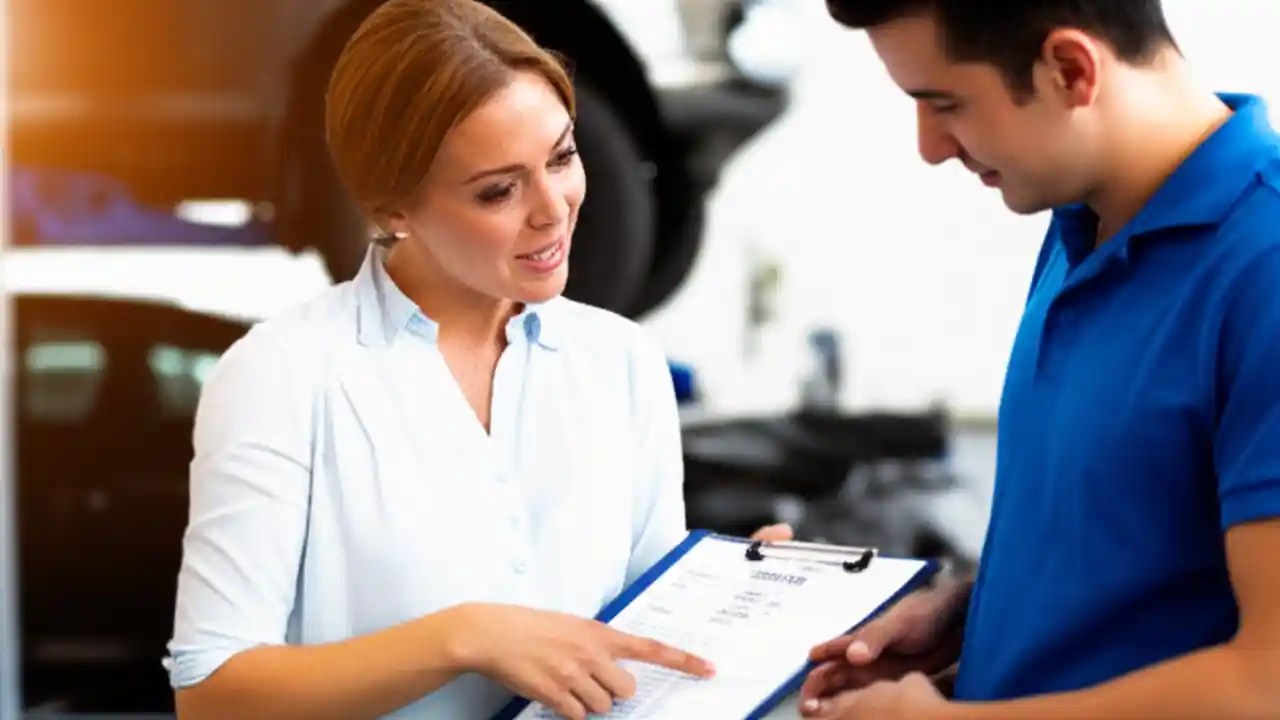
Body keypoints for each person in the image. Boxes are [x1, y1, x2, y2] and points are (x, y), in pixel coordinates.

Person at [163, 1, 791, 718]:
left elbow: (642, 649)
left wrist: (734, 600)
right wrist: (462, 637)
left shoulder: (622, 363)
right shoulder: (282, 374)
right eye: (499, 190)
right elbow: (212, 695)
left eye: (562, 157)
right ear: (392, 207)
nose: (553, 208)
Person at [797, 1, 1280, 719]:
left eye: (945, 104)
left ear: (1069, 69)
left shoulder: (1264, 267)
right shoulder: (1083, 223)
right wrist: (975, 617)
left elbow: (1267, 682)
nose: (930, 147)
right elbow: (1137, 541)